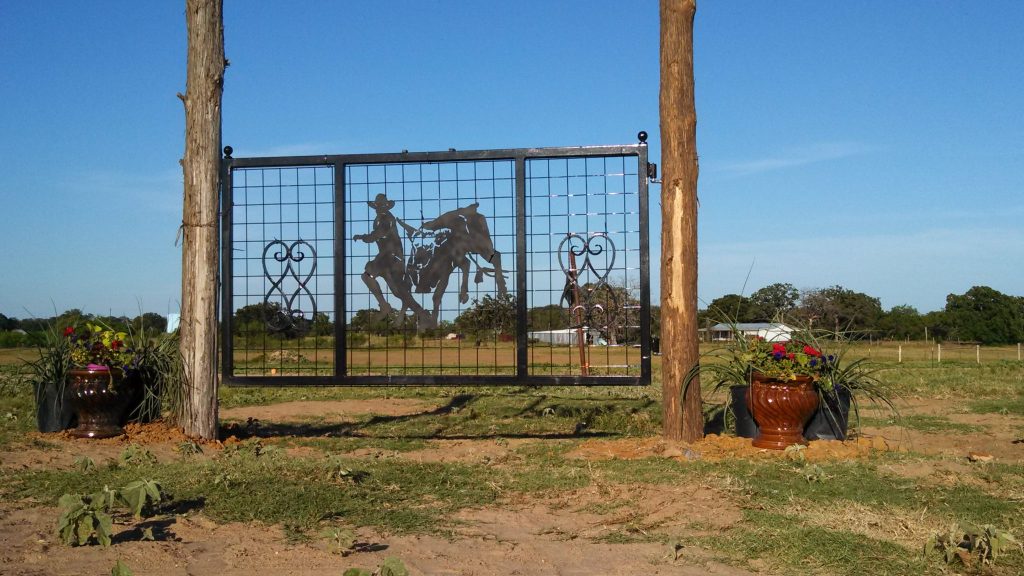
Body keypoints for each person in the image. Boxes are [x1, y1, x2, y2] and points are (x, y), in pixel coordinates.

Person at [353, 193, 431, 326]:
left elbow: (377, 234)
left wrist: (362, 237)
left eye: (382, 205)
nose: (379, 208)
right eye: (377, 206)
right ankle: (386, 306)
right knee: (371, 278)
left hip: (392, 258)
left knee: (397, 291)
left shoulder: (387, 219)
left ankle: (420, 313)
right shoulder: (381, 218)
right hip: (386, 257)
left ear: (386, 207)